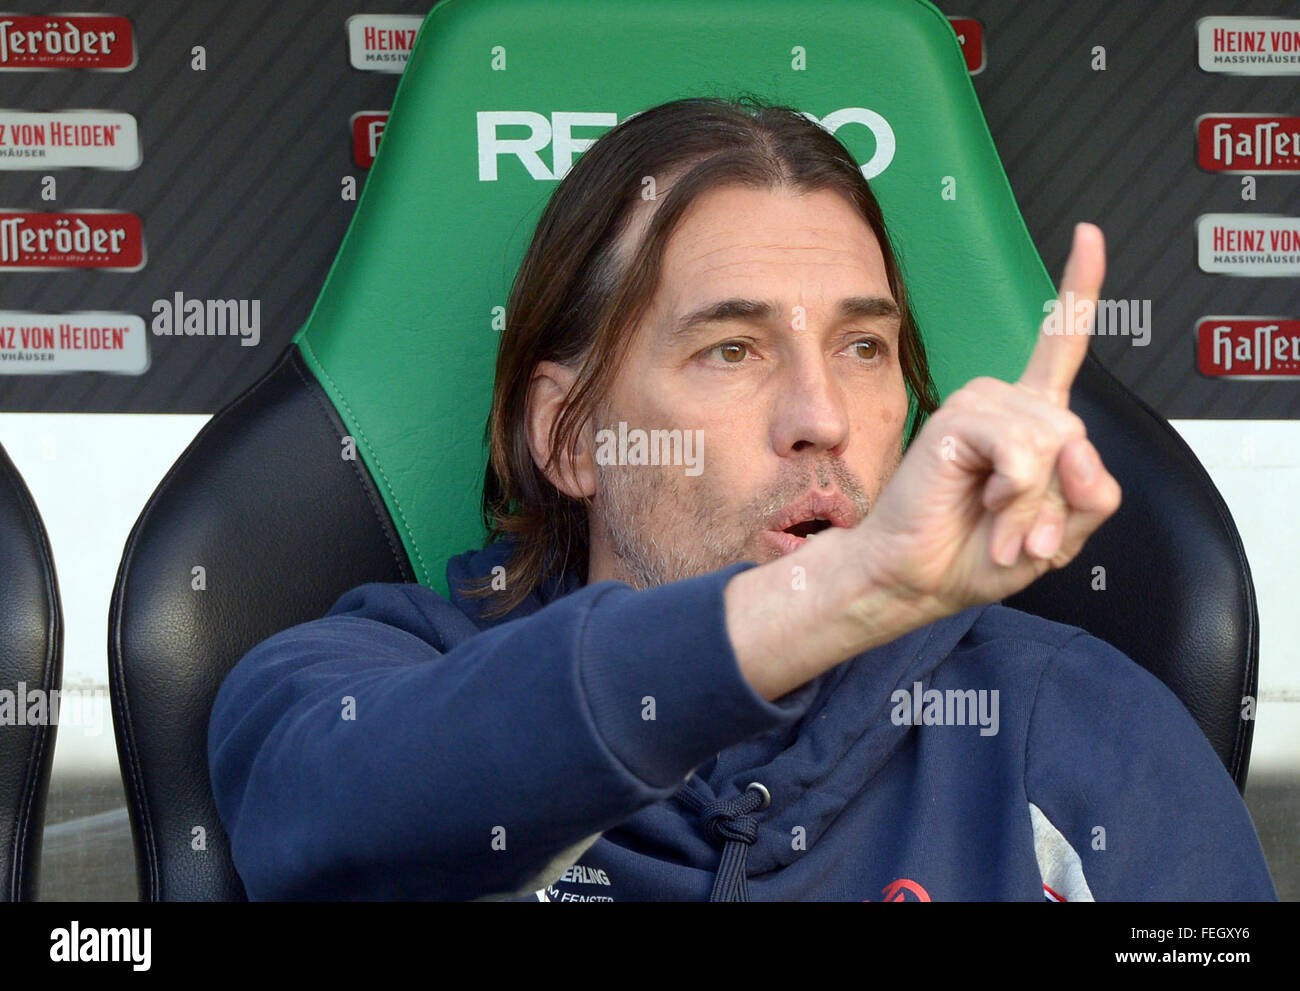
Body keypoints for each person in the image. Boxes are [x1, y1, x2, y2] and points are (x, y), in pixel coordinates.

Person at [207, 96, 1276, 901]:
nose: (821, 413)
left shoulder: (1086, 731)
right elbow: (333, 811)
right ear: (571, 434)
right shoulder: (362, 683)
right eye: (731, 347)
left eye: (864, 346)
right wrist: (838, 596)